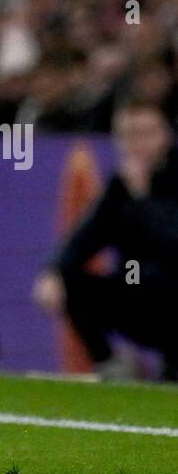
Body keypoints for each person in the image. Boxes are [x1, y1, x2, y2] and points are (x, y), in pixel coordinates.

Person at [33, 99, 178, 380]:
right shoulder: (120, 186)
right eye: (130, 135)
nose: (139, 144)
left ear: (166, 135)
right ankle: (110, 363)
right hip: (140, 295)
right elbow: (85, 237)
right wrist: (53, 271)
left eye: (147, 133)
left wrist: (141, 198)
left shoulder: (153, 183)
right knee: (70, 282)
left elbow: (171, 244)